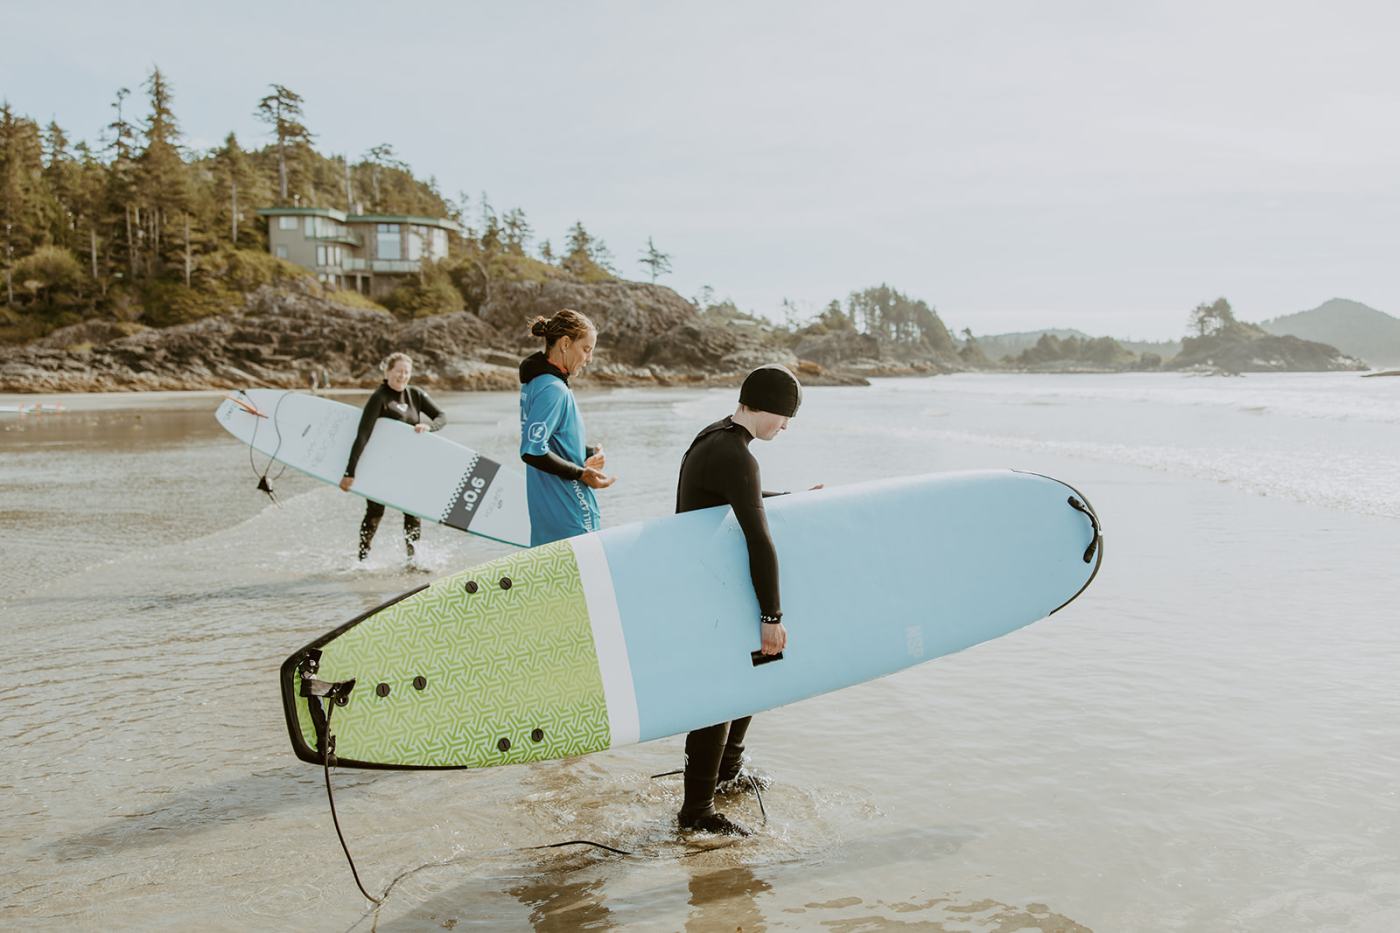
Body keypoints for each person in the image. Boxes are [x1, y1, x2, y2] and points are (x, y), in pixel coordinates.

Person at [673, 363, 805, 836]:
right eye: (786, 416)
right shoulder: (736, 454)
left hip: (705, 581)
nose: (785, 426)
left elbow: (742, 496)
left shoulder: (716, 437)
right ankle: (697, 811)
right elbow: (758, 539)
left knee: (748, 676)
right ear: (768, 408)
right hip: (714, 590)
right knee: (721, 693)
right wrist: (773, 615)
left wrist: (793, 496)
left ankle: (726, 773)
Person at [519, 309, 614, 546]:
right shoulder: (553, 389)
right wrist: (581, 473)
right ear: (564, 343)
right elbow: (532, 450)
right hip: (570, 510)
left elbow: (553, 440)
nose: (589, 358)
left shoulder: (536, 383)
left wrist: (589, 452)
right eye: (586, 349)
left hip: (548, 513)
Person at [339, 352, 446, 561]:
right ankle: (363, 558)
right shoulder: (379, 398)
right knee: (375, 512)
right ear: (388, 372)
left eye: (407, 372)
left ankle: (412, 559)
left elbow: (442, 417)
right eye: (398, 371)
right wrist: (349, 472)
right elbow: (363, 435)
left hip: (408, 465)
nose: (403, 376)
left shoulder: (415, 394)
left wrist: (429, 426)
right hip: (381, 466)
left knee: (412, 513)